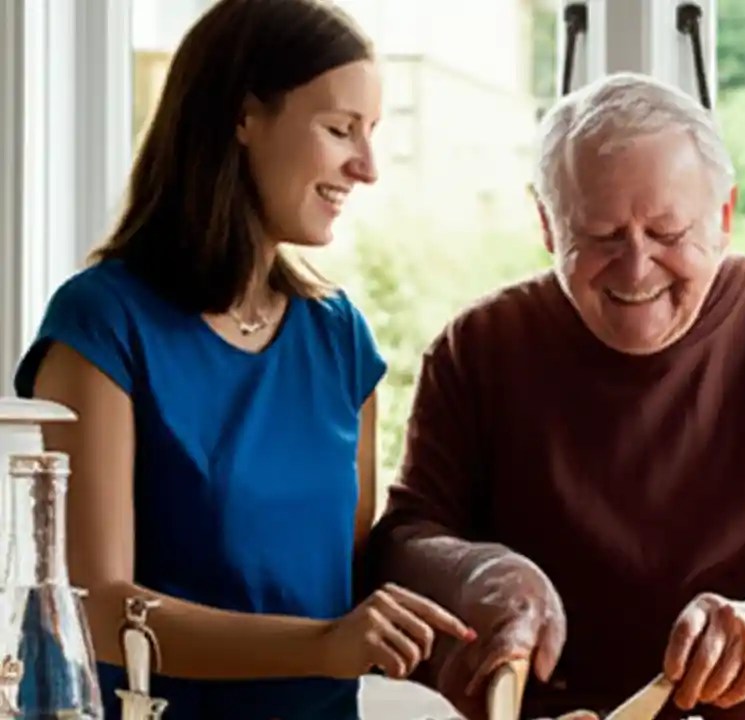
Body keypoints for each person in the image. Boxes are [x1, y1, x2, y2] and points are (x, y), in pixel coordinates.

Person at [369, 71, 745, 720]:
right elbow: (404, 540)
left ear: (724, 216)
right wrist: (480, 574)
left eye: (667, 234)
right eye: (600, 237)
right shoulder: (480, 347)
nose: (635, 270)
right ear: (548, 225)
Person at [12, 1, 473, 718]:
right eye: (339, 129)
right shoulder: (101, 325)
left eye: (373, 133)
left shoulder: (340, 339)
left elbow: (348, 582)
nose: (368, 166)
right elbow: (97, 611)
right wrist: (323, 646)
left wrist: (484, 599)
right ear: (242, 118)